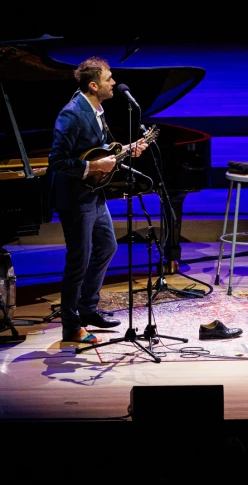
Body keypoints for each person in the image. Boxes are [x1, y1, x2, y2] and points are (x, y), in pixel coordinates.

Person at [48, 57, 147, 343]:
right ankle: (71, 326)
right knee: (78, 260)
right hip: (75, 198)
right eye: (109, 79)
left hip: (93, 193)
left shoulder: (96, 109)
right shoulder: (72, 114)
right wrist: (93, 168)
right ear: (94, 85)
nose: (114, 82)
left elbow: (97, 148)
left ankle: (88, 308)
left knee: (107, 245)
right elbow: (57, 161)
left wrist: (128, 149)